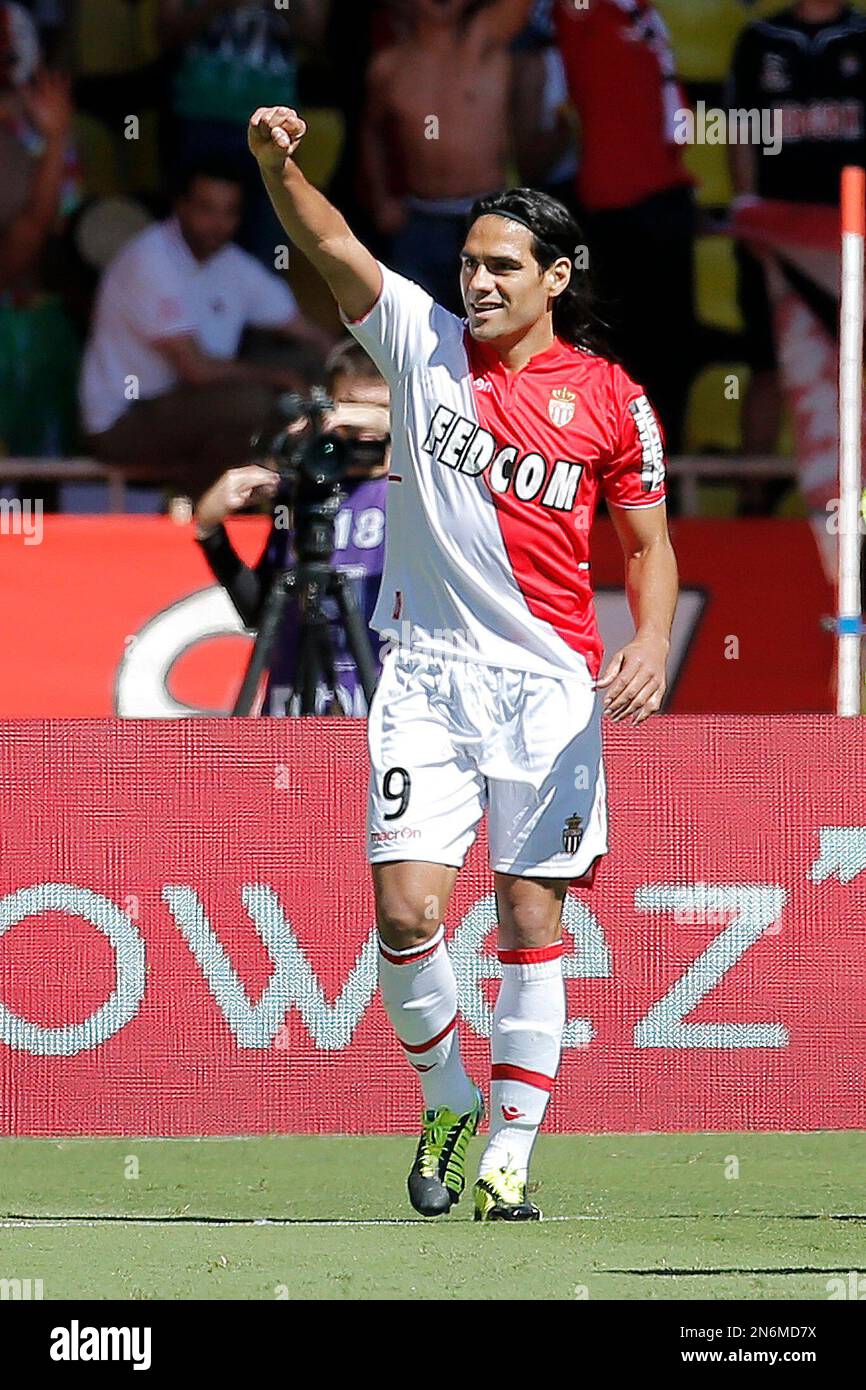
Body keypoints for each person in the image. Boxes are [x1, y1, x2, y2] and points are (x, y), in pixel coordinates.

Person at [248, 104, 678, 1221]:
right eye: (468, 263)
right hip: (425, 678)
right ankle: (445, 1097)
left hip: (547, 691)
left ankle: (510, 1153)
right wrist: (274, 166)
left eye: (501, 265)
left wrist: (653, 635)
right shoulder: (419, 341)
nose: (477, 282)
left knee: (532, 923)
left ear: (555, 277)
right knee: (402, 916)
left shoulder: (614, 403)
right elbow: (337, 243)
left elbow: (649, 548)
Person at [80, 162, 331, 500]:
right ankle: (192, 510)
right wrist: (279, 378)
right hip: (122, 421)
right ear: (180, 206)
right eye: (207, 209)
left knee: (311, 366)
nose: (218, 224)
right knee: (256, 404)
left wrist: (352, 371)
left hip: (191, 408)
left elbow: (307, 332)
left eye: (229, 212)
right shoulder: (150, 259)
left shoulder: (233, 264)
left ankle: (309, 500)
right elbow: (195, 369)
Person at [193, 338, 390, 716]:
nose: (362, 430)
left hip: (382, 714)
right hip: (294, 713)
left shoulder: (418, 491)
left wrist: (387, 421)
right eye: (349, 408)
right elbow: (262, 612)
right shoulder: (301, 490)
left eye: (379, 409)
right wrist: (211, 531)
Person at [727, 0, 866, 507]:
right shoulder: (760, 39)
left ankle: (854, 500)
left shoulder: (860, 34)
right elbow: (738, 130)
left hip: (852, 237)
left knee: (856, 362)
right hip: (777, 239)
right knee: (767, 365)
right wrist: (747, 205)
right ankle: (752, 499)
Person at [554, 0, 697, 453]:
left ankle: (663, 475)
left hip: (667, 197)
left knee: (671, 354)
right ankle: (611, 475)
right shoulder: (582, 11)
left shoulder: (644, 13)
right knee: (615, 355)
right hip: (617, 207)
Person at [361, 0, 534, 314]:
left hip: (490, 213)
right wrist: (382, 198)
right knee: (418, 327)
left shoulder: (485, 38)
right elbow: (371, 133)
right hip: (421, 218)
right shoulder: (388, 67)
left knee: (495, 326)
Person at [158, 0, 325, 266]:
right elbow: (166, 36)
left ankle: (259, 307)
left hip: (273, 124)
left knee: (266, 246)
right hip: (197, 115)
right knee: (184, 245)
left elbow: (316, 37)